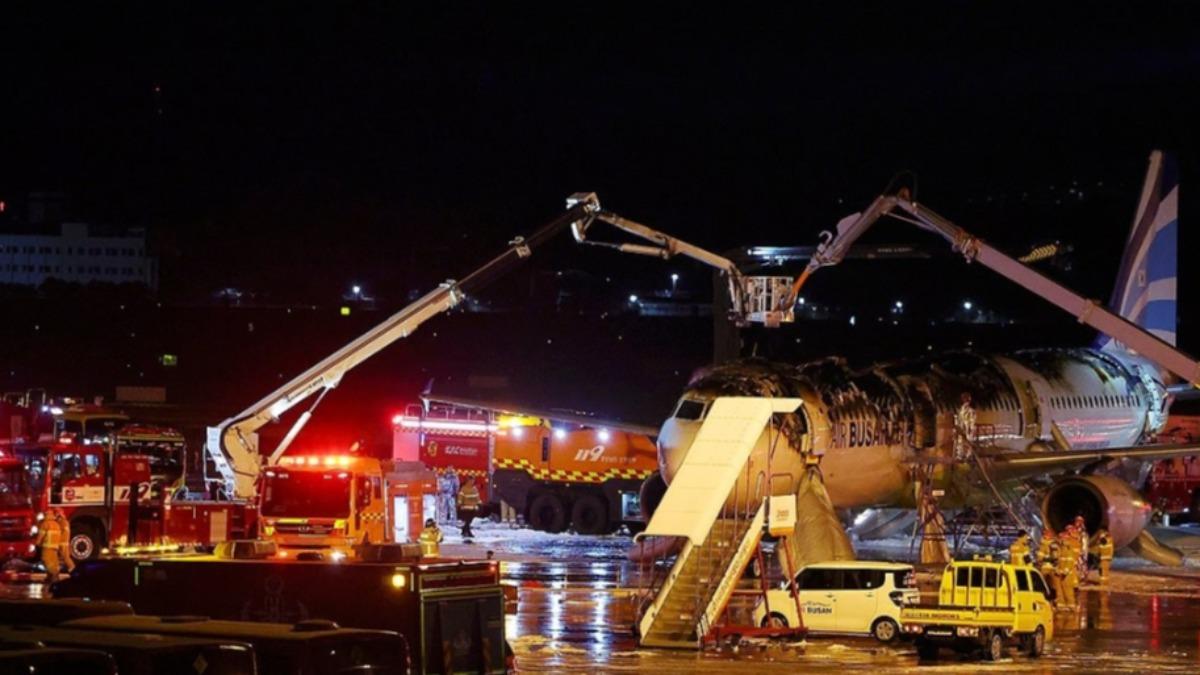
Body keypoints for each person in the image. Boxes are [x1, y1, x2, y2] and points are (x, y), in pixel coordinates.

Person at [34, 509, 74, 582]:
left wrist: (37, 544)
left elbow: (41, 536)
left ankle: (58, 575)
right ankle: (52, 576)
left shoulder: (48, 524)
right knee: (54, 561)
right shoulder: (60, 523)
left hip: (51, 546)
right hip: (57, 546)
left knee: (49, 560)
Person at [954, 392, 976, 460]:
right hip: (962, 427)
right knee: (961, 441)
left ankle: (967, 455)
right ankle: (961, 455)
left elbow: (972, 420)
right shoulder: (961, 409)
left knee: (968, 441)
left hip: (967, 427)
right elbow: (958, 418)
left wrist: (971, 428)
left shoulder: (970, 410)